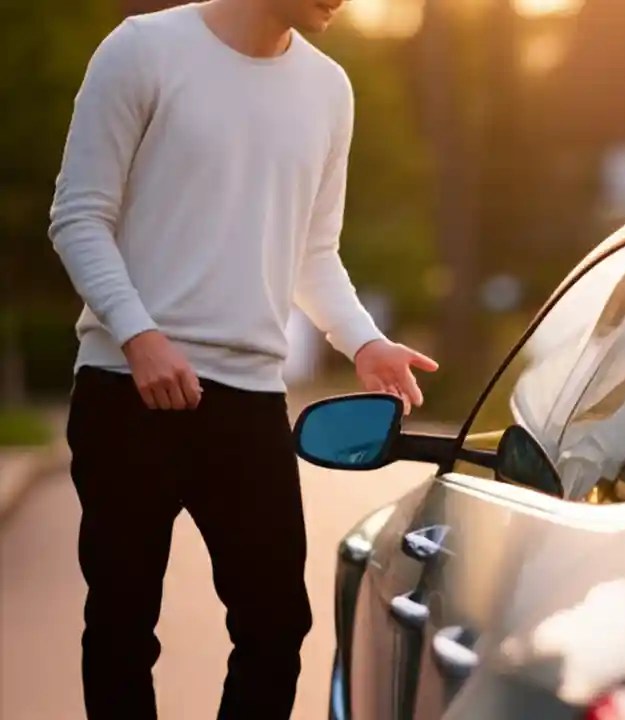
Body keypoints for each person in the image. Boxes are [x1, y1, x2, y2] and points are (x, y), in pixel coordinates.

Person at [47, 1, 438, 717]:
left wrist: (363, 340)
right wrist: (140, 335)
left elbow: (313, 253)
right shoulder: (142, 50)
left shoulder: (329, 89)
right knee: (123, 629)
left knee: (275, 626)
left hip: (249, 400)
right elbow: (78, 215)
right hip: (124, 389)